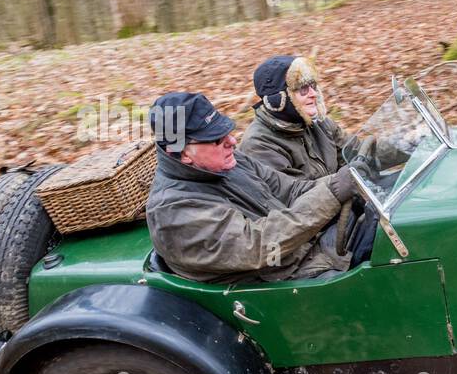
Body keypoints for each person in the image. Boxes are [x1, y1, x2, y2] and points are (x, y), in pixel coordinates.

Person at [145, 91, 361, 284]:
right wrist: (331, 193)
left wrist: (352, 177)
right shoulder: (174, 210)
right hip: (282, 281)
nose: (231, 141)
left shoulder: (228, 162)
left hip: (309, 251)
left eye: (226, 131)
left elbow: (292, 190)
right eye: (216, 139)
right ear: (183, 153)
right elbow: (260, 245)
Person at [238, 54, 385, 182]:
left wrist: (404, 146)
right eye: (303, 89)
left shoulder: (319, 123)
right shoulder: (258, 145)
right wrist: (344, 180)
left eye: (313, 86)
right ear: (278, 100)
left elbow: (357, 152)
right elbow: (294, 194)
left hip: (345, 205)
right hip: (317, 212)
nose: (313, 94)